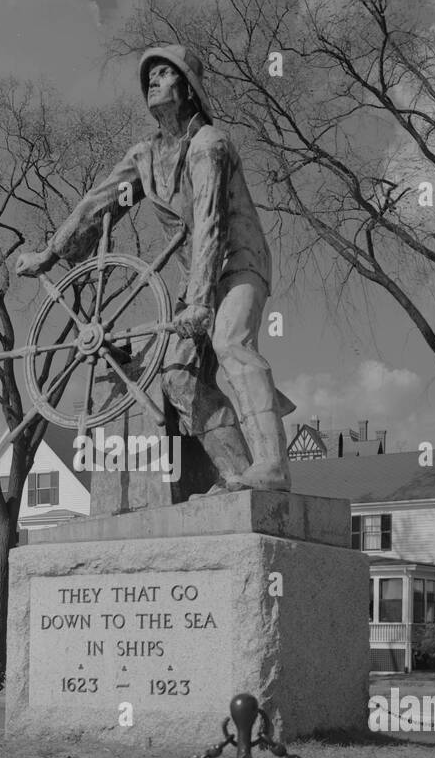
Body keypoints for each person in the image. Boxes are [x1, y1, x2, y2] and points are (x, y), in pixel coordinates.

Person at [15, 44, 293, 492]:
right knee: (177, 378)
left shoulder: (210, 145)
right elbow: (99, 201)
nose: (153, 81)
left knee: (230, 342)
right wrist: (51, 253)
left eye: (165, 74)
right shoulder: (145, 157)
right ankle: (239, 475)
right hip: (195, 279)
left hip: (237, 263)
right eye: (150, 76)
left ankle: (273, 467)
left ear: (188, 90)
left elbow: (211, 222)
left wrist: (200, 302)